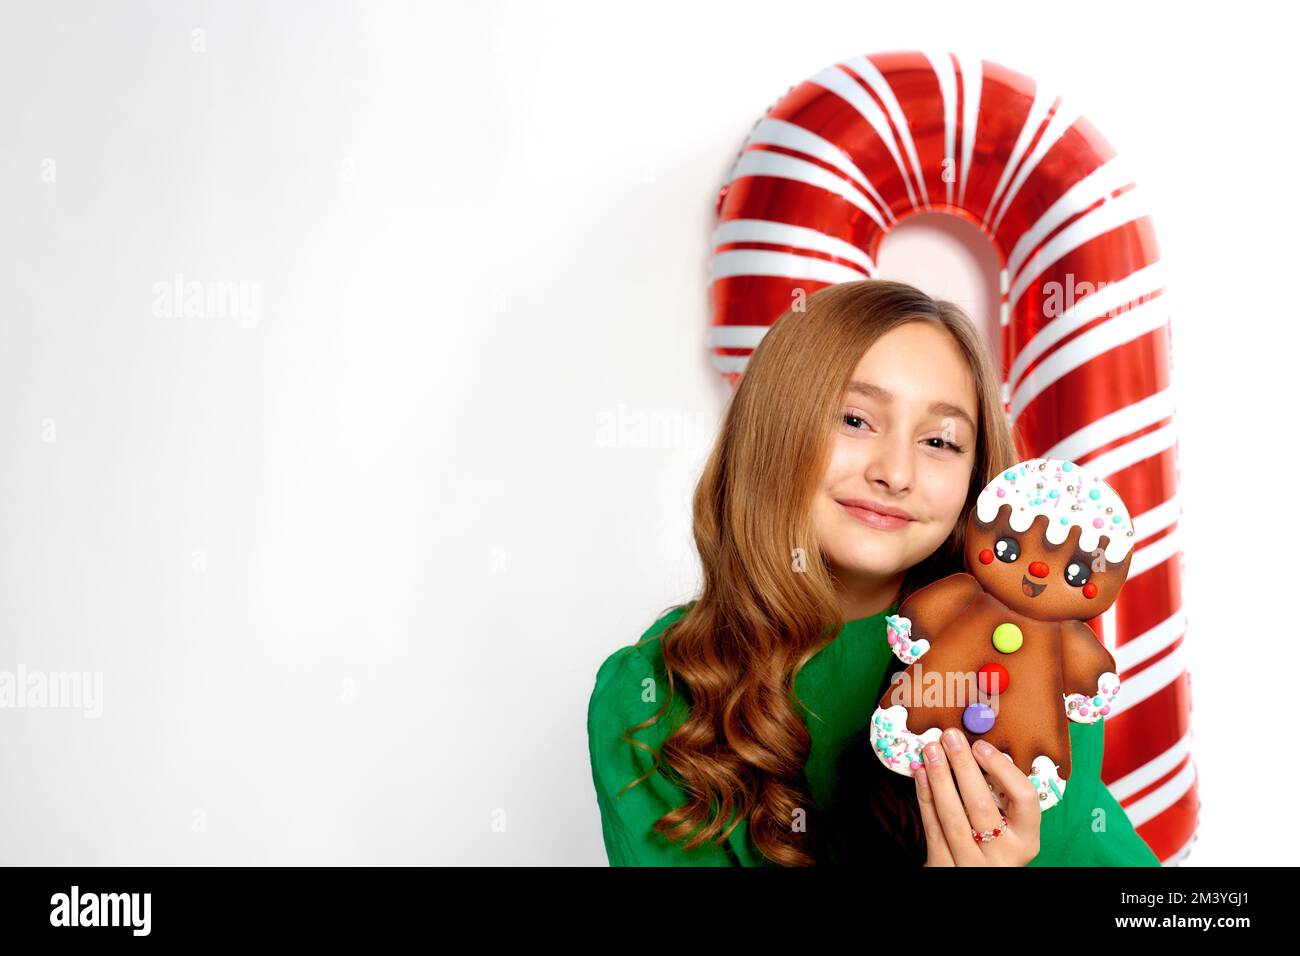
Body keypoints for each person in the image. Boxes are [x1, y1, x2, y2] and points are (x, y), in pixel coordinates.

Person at [586, 279, 1159, 867]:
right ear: (774, 431)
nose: (895, 473)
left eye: (940, 440)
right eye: (855, 421)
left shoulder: (1041, 678)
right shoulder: (651, 702)